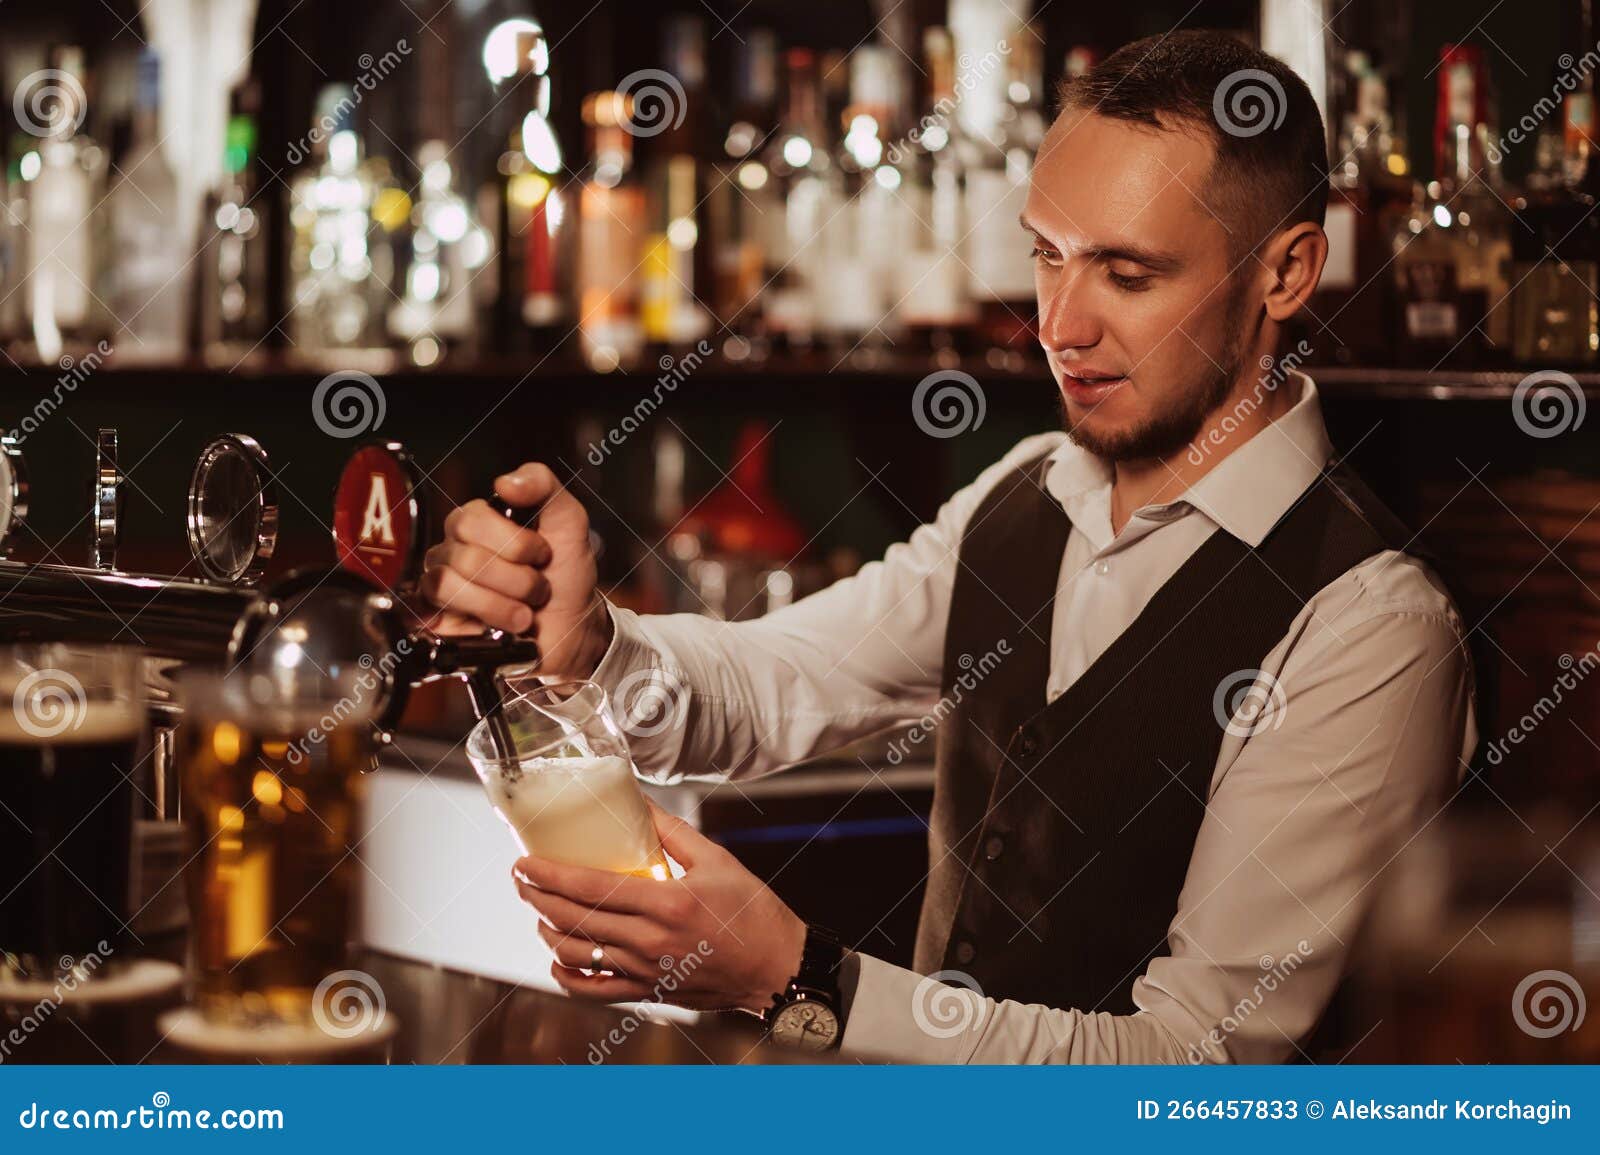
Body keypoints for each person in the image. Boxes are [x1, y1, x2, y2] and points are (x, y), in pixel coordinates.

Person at [422, 30, 1476, 1063]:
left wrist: (796, 982)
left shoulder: (1370, 625)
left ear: (1285, 274)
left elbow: (1189, 1070)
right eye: (1045, 256)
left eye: (1128, 274)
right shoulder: (1024, 494)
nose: (1060, 323)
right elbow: (774, 682)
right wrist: (590, 642)